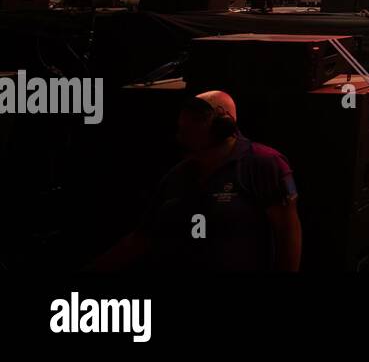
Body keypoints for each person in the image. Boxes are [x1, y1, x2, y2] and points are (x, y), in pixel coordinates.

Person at [91, 90, 301, 271]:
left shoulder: (264, 163)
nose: (185, 128)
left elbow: (287, 232)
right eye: (184, 124)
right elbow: (142, 238)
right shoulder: (178, 176)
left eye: (197, 119)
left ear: (224, 124)